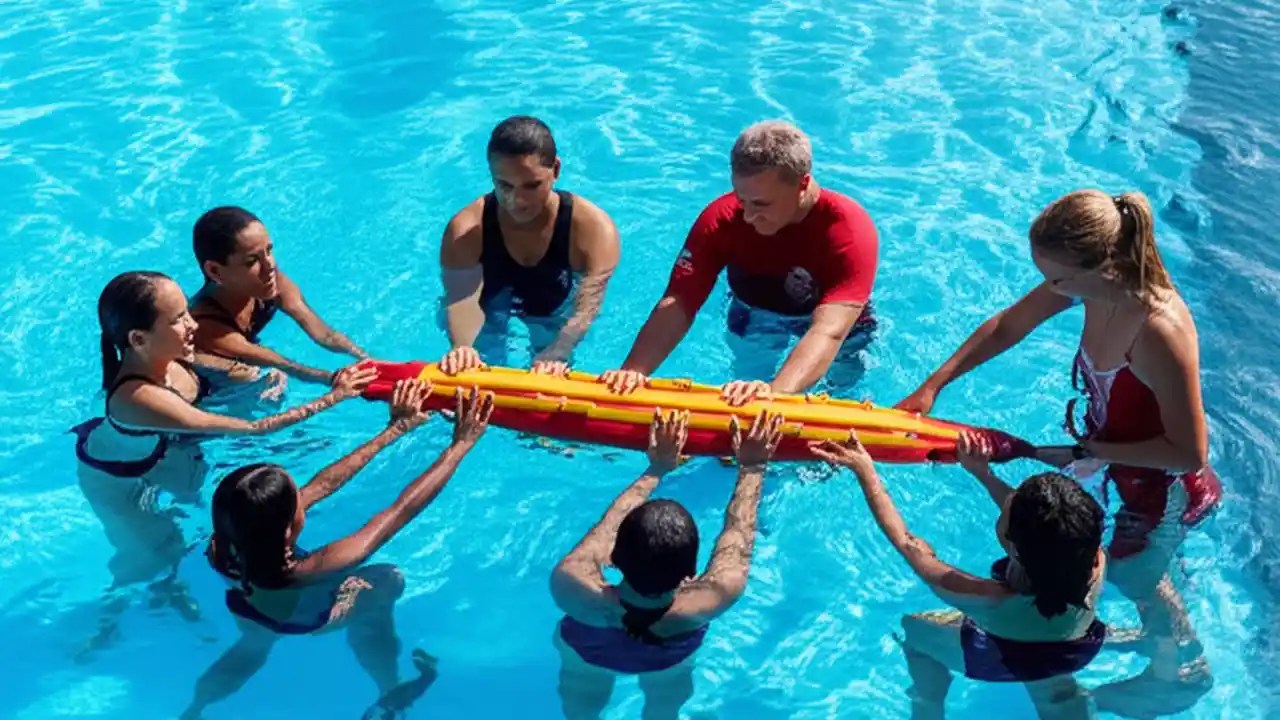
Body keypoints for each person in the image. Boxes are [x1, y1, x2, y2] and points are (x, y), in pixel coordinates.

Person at [895, 189, 1220, 710]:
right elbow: (1009, 324)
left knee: (1135, 572)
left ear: (1106, 265)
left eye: (1058, 280)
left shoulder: (1159, 330)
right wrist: (935, 385)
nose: (1050, 289)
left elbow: (1189, 454)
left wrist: (1083, 451)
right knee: (1110, 563)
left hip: (1160, 482)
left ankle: (1181, 669)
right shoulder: (1092, 286)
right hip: (1112, 460)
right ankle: (1167, 649)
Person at [73, 271, 376, 629]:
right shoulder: (138, 400)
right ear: (139, 338)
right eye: (178, 319)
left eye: (188, 312)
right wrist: (334, 398)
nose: (192, 325)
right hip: (115, 487)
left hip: (155, 458)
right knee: (153, 557)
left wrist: (324, 376)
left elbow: (253, 369)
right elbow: (255, 429)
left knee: (188, 529)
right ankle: (109, 619)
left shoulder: (170, 358)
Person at [182, 380, 493, 720]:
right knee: (387, 581)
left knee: (253, 646)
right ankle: (389, 688)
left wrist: (396, 429)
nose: (304, 495)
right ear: (289, 528)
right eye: (297, 500)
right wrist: (460, 446)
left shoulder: (226, 537)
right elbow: (400, 510)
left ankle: (194, 708)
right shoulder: (310, 570)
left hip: (245, 605)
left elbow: (323, 484)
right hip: (304, 618)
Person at [810, 431, 1107, 720]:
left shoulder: (986, 599)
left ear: (1012, 545)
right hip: (1076, 649)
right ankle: (1060, 697)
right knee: (1050, 674)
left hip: (997, 658)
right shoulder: (1092, 558)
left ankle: (928, 706)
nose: (1006, 503)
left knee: (915, 629)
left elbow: (908, 543)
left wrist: (865, 470)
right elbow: (1047, 528)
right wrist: (982, 472)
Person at [601, 120, 879, 406]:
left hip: (838, 328)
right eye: (741, 198)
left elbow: (829, 331)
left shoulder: (849, 231)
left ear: (802, 183)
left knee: (842, 390)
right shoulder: (723, 218)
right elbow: (680, 302)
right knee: (743, 390)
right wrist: (633, 372)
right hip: (756, 313)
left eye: (760, 204)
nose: (746, 216)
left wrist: (775, 396)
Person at [550, 409, 782, 720]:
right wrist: (752, 468)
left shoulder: (571, 585)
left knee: (580, 711)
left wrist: (655, 470)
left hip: (585, 651)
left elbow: (606, 529)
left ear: (614, 558)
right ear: (690, 573)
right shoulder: (709, 598)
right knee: (664, 709)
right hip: (668, 660)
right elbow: (737, 534)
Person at [438, 115, 620, 376]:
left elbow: (587, 306)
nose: (517, 201)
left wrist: (559, 350)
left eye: (531, 186)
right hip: (490, 302)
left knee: (551, 365)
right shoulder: (466, 230)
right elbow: (460, 299)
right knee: (477, 362)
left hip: (554, 306)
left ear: (556, 170)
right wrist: (463, 347)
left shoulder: (592, 229)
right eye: (504, 185)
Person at [190, 205, 370, 389]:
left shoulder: (269, 281)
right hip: (207, 378)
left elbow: (324, 333)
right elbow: (281, 363)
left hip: (247, 348)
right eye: (252, 261)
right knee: (257, 384)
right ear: (215, 271)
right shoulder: (202, 322)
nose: (269, 267)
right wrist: (333, 378)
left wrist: (367, 359)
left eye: (269, 251)